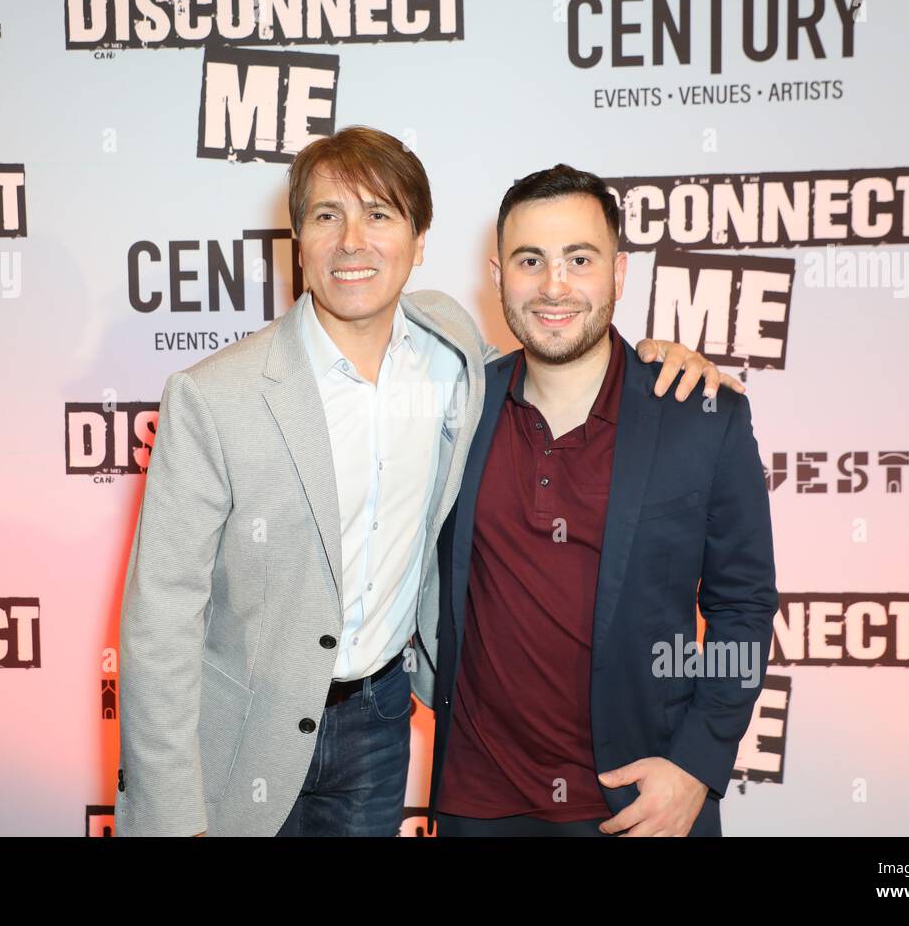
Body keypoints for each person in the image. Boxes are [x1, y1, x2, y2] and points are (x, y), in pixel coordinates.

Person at [114, 127, 739, 837]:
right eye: (327, 216)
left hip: (381, 726)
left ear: (418, 244)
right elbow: (159, 618)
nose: (352, 242)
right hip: (238, 735)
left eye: (379, 215)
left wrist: (661, 359)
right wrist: (171, 817)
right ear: (298, 240)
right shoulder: (215, 395)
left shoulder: (454, 358)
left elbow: (565, 345)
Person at [428, 164, 777, 838]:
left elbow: (743, 606)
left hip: (641, 804)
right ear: (498, 276)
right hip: (479, 803)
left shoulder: (702, 415)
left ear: (618, 274)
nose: (554, 286)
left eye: (579, 260)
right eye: (530, 260)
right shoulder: (455, 409)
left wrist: (696, 764)